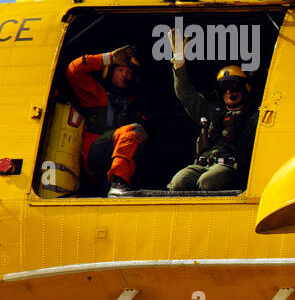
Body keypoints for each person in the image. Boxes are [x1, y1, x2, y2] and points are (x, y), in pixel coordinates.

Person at [65, 45, 148, 196]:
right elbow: (74, 71)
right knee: (133, 131)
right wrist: (108, 58)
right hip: (95, 153)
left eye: (129, 72)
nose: (125, 75)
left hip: (112, 165)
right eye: (120, 70)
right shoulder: (97, 94)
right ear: (110, 71)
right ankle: (118, 184)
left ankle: (116, 186)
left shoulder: (133, 106)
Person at [169, 61, 257, 192]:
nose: (229, 92)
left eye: (234, 86)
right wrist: (179, 63)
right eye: (224, 87)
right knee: (179, 182)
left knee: (208, 182)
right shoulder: (213, 112)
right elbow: (186, 95)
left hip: (230, 167)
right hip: (203, 165)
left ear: (246, 88)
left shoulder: (253, 117)